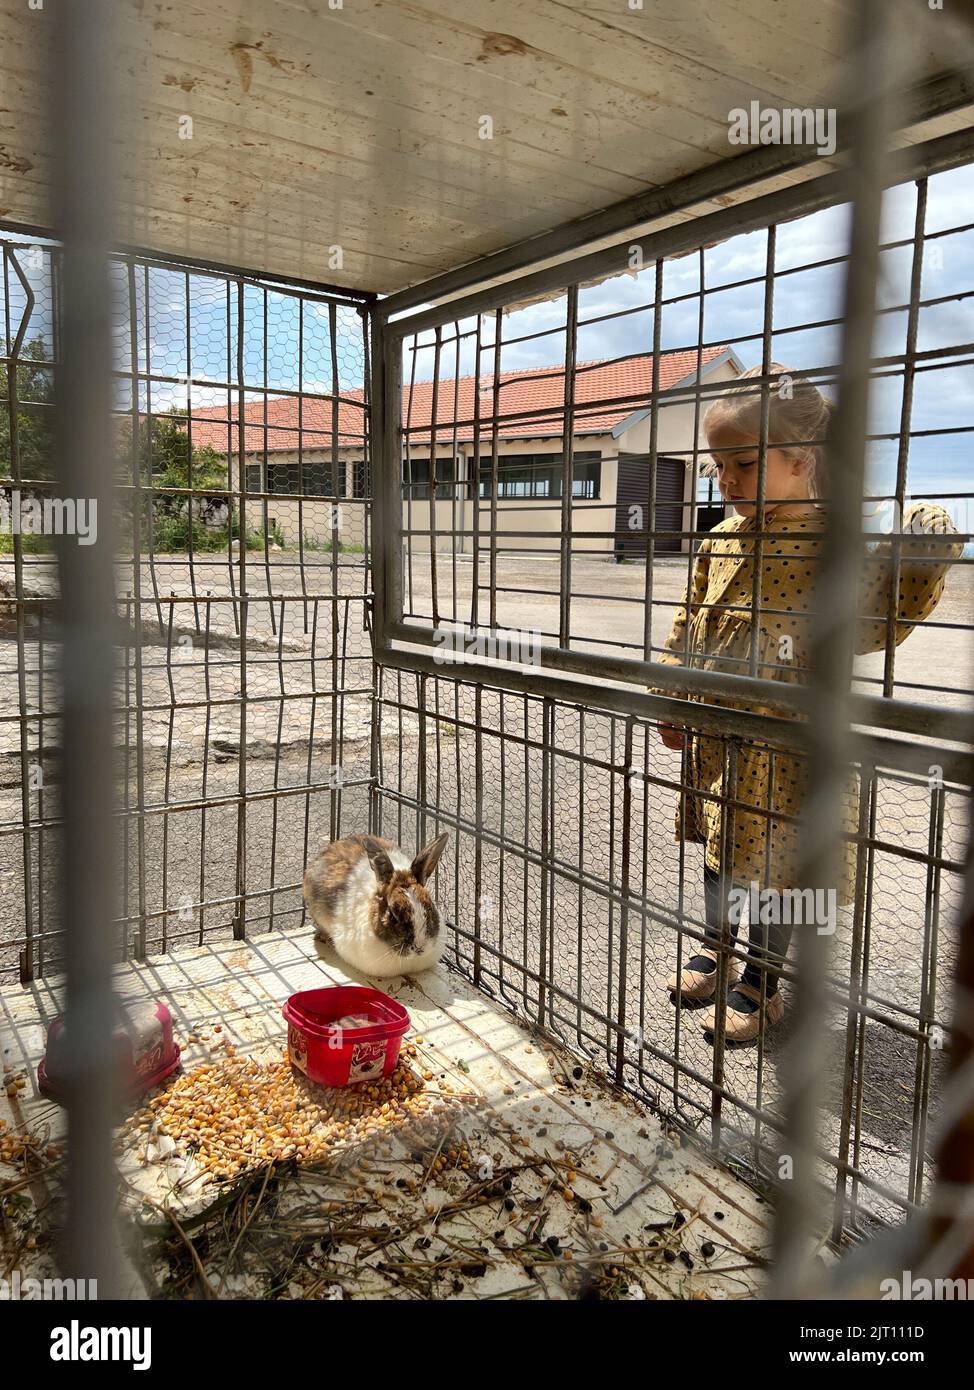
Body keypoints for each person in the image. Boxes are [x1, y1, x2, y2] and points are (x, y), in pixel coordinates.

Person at [653, 364, 963, 1042]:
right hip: (724, 735)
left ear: (803, 460)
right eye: (717, 465)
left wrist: (922, 546)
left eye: (742, 462)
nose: (725, 479)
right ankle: (715, 942)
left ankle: (761, 980)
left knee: (780, 871)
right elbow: (687, 618)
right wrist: (672, 693)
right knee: (720, 845)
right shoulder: (719, 538)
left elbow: (876, 619)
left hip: (793, 742)